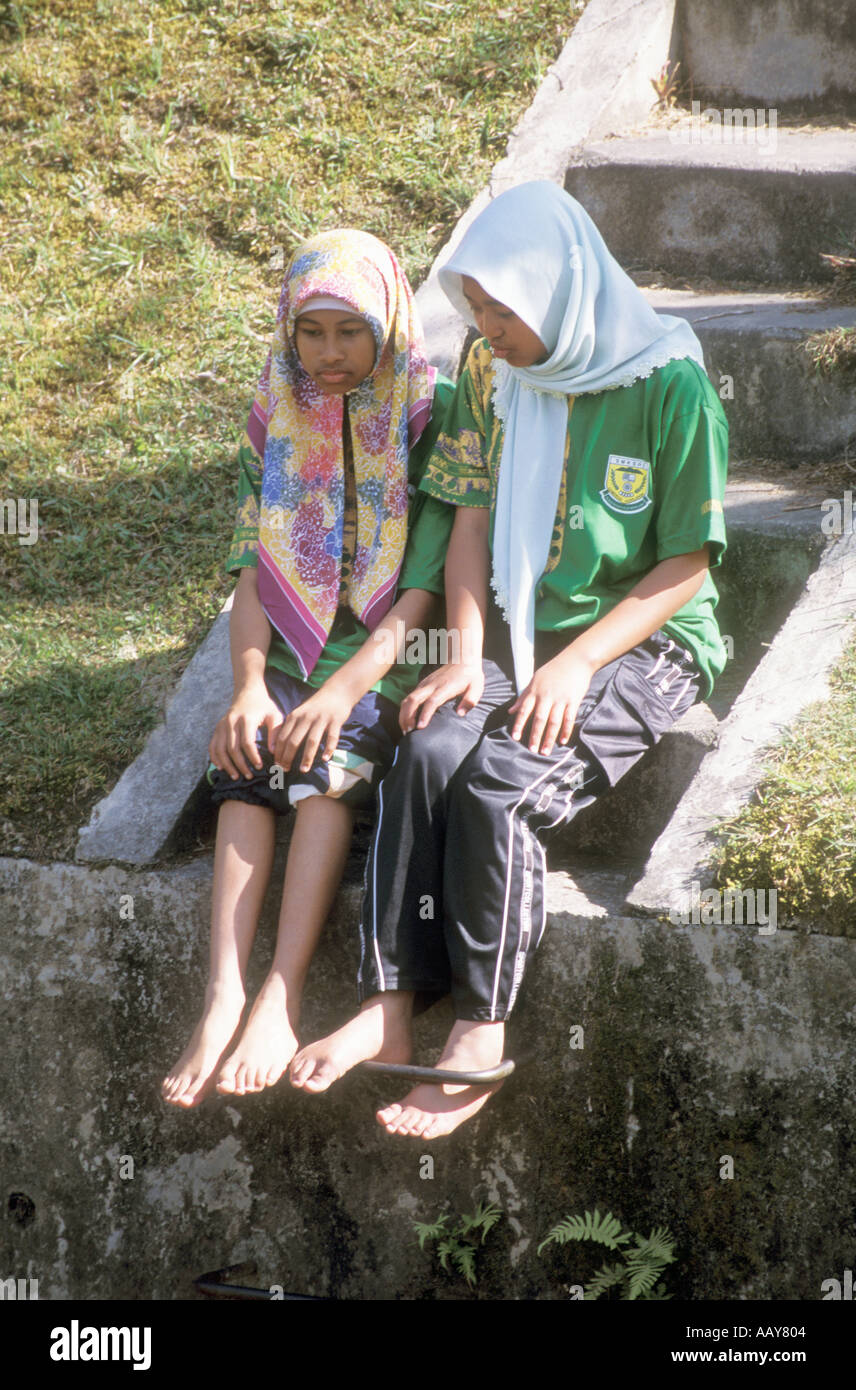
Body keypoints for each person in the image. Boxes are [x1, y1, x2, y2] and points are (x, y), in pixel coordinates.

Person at [288, 181, 729, 1139]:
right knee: (429, 746)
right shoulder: (493, 370)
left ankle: (481, 1031)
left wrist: (574, 670)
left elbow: (688, 565)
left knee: (500, 786)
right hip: (522, 625)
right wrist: (466, 653)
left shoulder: (670, 383)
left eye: (503, 308)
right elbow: (472, 519)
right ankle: (390, 1000)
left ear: (563, 290)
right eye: (475, 308)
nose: (486, 328)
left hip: (644, 640)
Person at [162, 229, 454, 1107]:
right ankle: (223, 994)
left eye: (350, 333)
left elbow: (424, 593)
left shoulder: (425, 417)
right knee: (246, 760)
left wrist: (342, 689)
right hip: (288, 641)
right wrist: (250, 684)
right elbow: (253, 572)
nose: (330, 354)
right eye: (312, 333)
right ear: (290, 336)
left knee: (322, 768)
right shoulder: (275, 415)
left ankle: (281, 993)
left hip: (381, 654)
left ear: (388, 326)